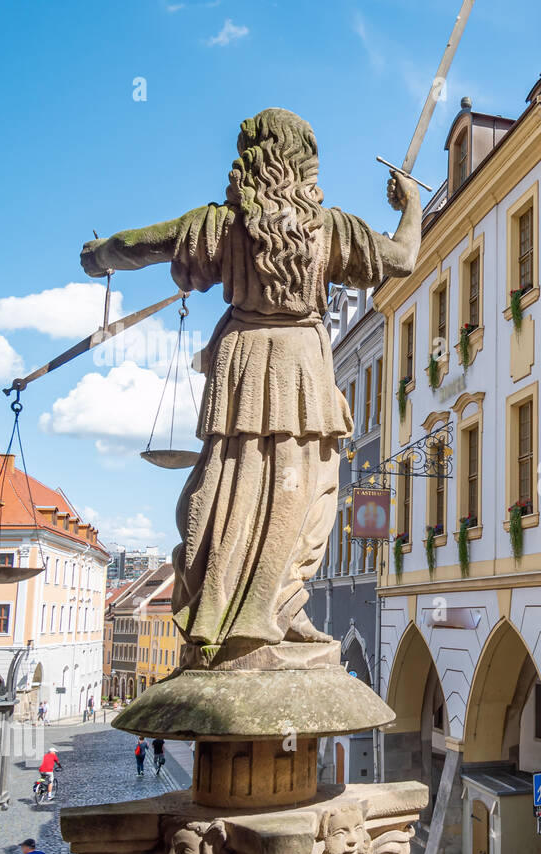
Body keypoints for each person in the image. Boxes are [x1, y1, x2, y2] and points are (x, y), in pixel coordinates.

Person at [80, 109, 420, 662]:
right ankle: (272, 604)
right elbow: (402, 258)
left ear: (251, 160)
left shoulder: (221, 224)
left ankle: (245, 604)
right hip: (301, 361)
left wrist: (99, 257)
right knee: (308, 487)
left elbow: (140, 242)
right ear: (303, 164)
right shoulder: (329, 228)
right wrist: (409, 205)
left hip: (244, 355)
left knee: (228, 478)